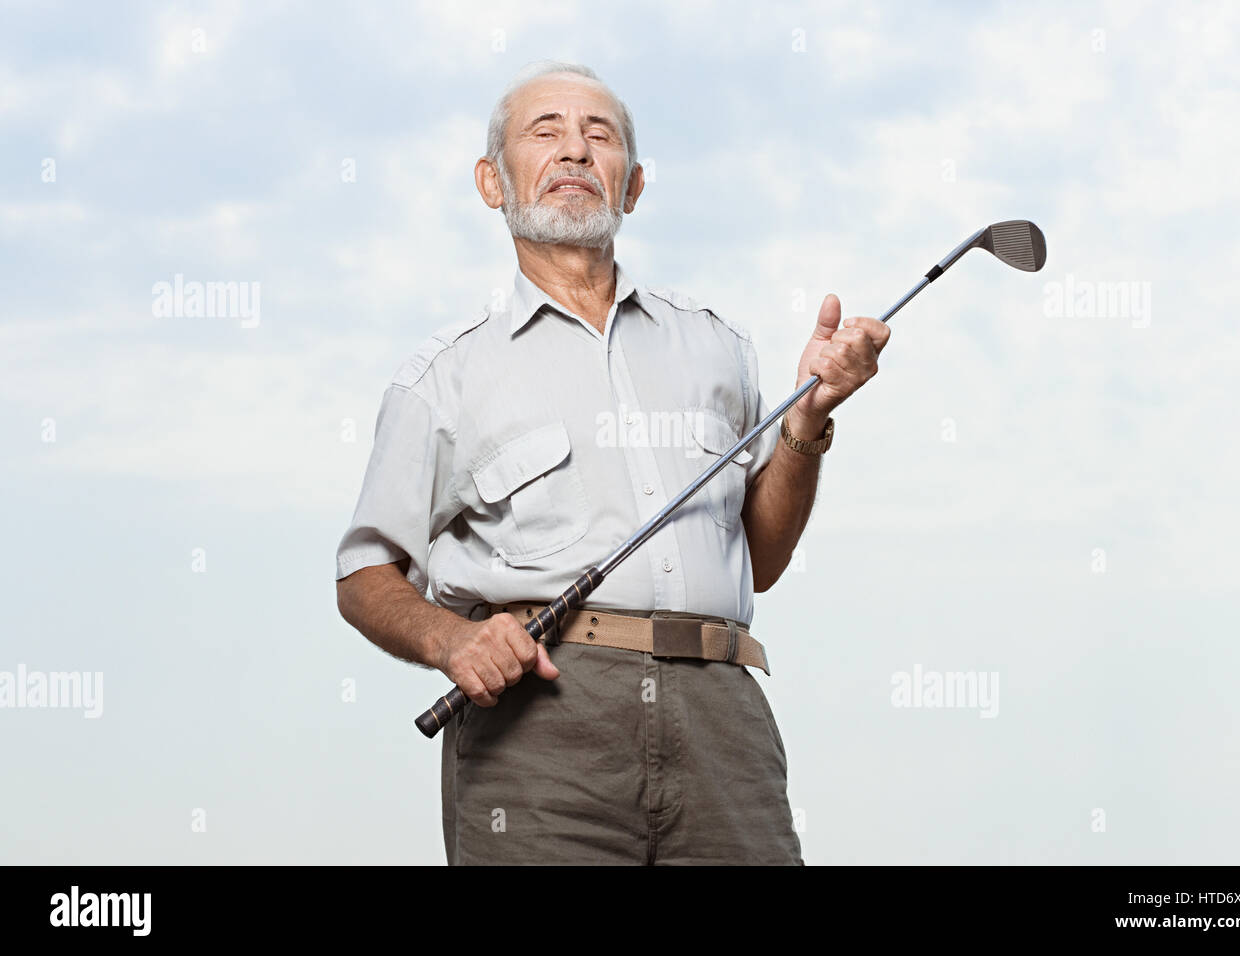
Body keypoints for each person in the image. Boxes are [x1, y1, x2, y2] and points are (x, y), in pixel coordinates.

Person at [334, 59, 890, 865]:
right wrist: (453, 643)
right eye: (545, 132)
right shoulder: (443, 376)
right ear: (494, 183)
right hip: (543, 727)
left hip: (723, 718)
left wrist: (806, 419)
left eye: (600, 136)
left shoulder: (717, 347)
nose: (574, 152)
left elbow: (761, 559)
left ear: (631, 187)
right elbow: (364, 574)